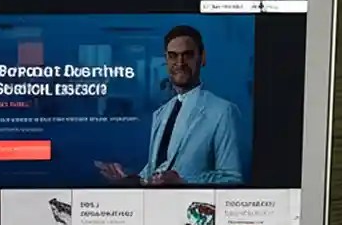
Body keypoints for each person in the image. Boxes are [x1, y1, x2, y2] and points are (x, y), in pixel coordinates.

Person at [96, 25, 247, 186]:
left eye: (187, 55)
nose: (180, 63)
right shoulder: (161, 113)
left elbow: (232, 179)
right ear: (166, 60)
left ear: (202, 58)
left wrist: (183, 182)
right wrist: (127, 176)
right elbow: (156, 171)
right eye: (173, 56)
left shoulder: (223, 112)